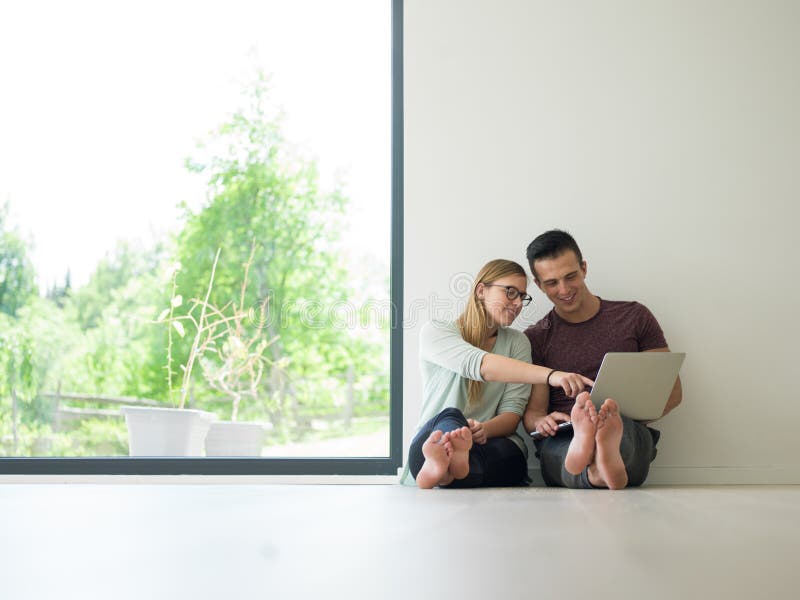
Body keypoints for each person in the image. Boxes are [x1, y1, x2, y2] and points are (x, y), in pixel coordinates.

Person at [400, 259, 593, 489]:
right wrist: (552, 375)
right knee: (451, 417)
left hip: (487, 445)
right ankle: (448, 454)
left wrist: (483, 430)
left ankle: (447, 472)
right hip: (431, 440)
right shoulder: (436, 331)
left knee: (511, 455)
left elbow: (512, 413)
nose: (518, 303)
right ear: (481, 290)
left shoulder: (517, 342)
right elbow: (481, 365)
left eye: (522, 296)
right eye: (510, 292)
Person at [522, 230, 683, 489]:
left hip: (625, 426)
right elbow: (534, 414)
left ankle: (599, 456)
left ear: (584, 268)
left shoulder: (634, 316)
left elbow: (673, 392)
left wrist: (610, 419)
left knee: (622, 434)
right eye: (552, 283)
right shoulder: (536, 338)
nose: (563, 290)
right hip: (566, 433)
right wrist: (541, 422)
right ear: (539, 285)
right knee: (562, 449)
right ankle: (597, 462)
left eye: (570, 276)